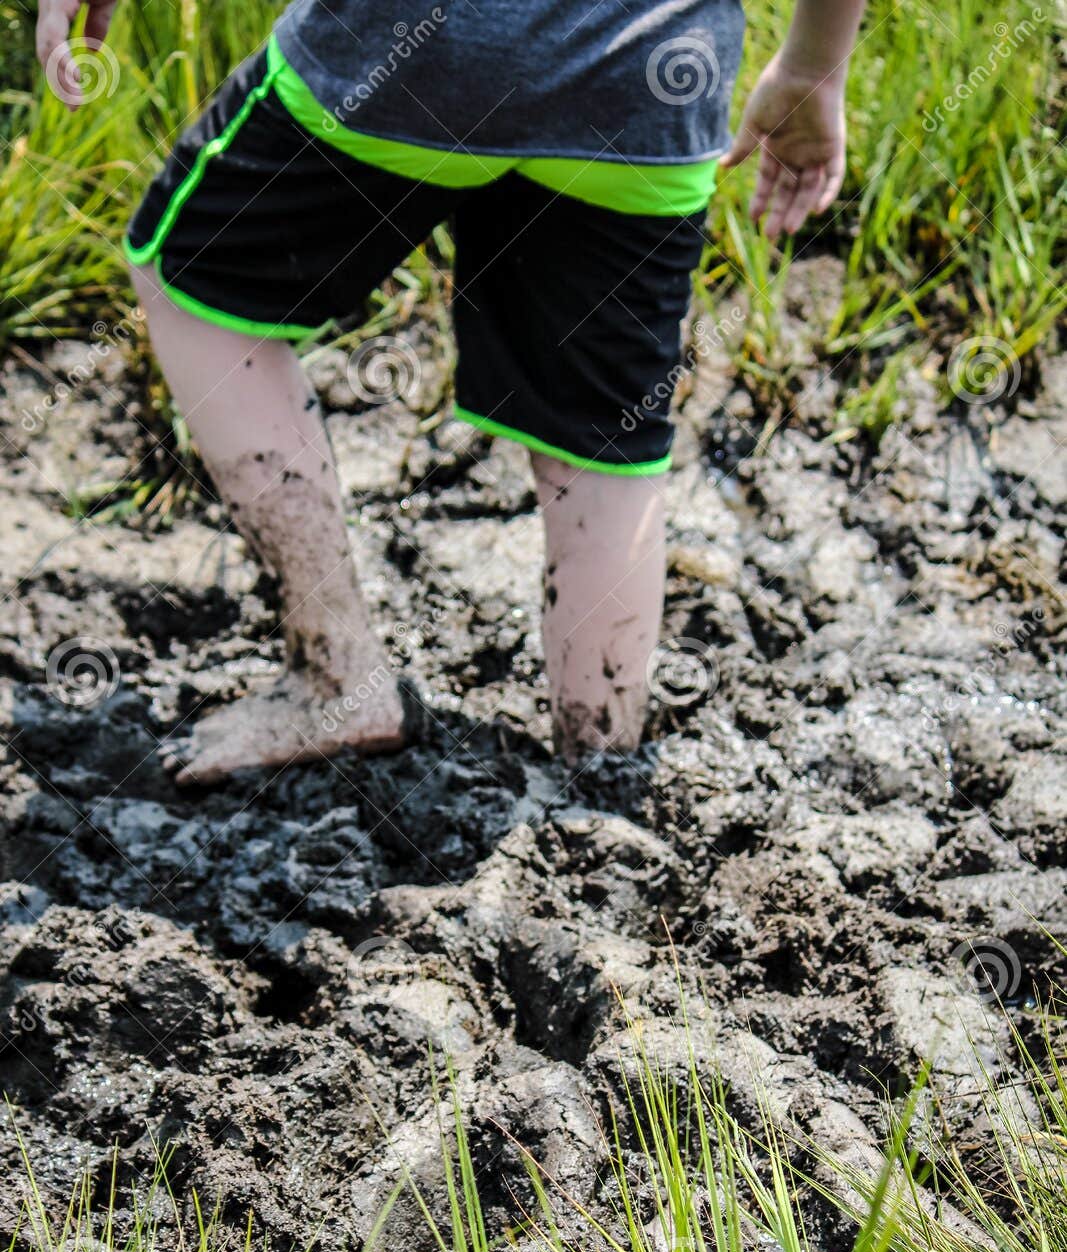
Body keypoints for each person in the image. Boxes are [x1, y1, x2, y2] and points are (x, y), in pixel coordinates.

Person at [36, 0, 865, 782]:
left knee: (192, 274)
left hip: (410, 55)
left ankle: (337, 673)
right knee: (606, 439)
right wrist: (811, 67)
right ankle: (599, 760)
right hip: (647, 77)